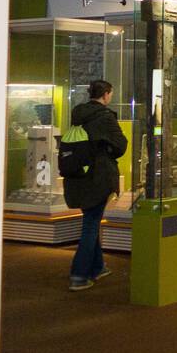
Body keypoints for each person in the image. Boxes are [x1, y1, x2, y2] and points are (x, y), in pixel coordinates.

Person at [63, 80, 127, 291]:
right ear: (106, 94)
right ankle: (79, 275)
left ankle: (97, 267)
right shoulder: (105, 118)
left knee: (91, 219)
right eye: (111, 94)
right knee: (91, 224)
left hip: (78, 176)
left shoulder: (77, 115)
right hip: (98, 177)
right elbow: (121, 145)